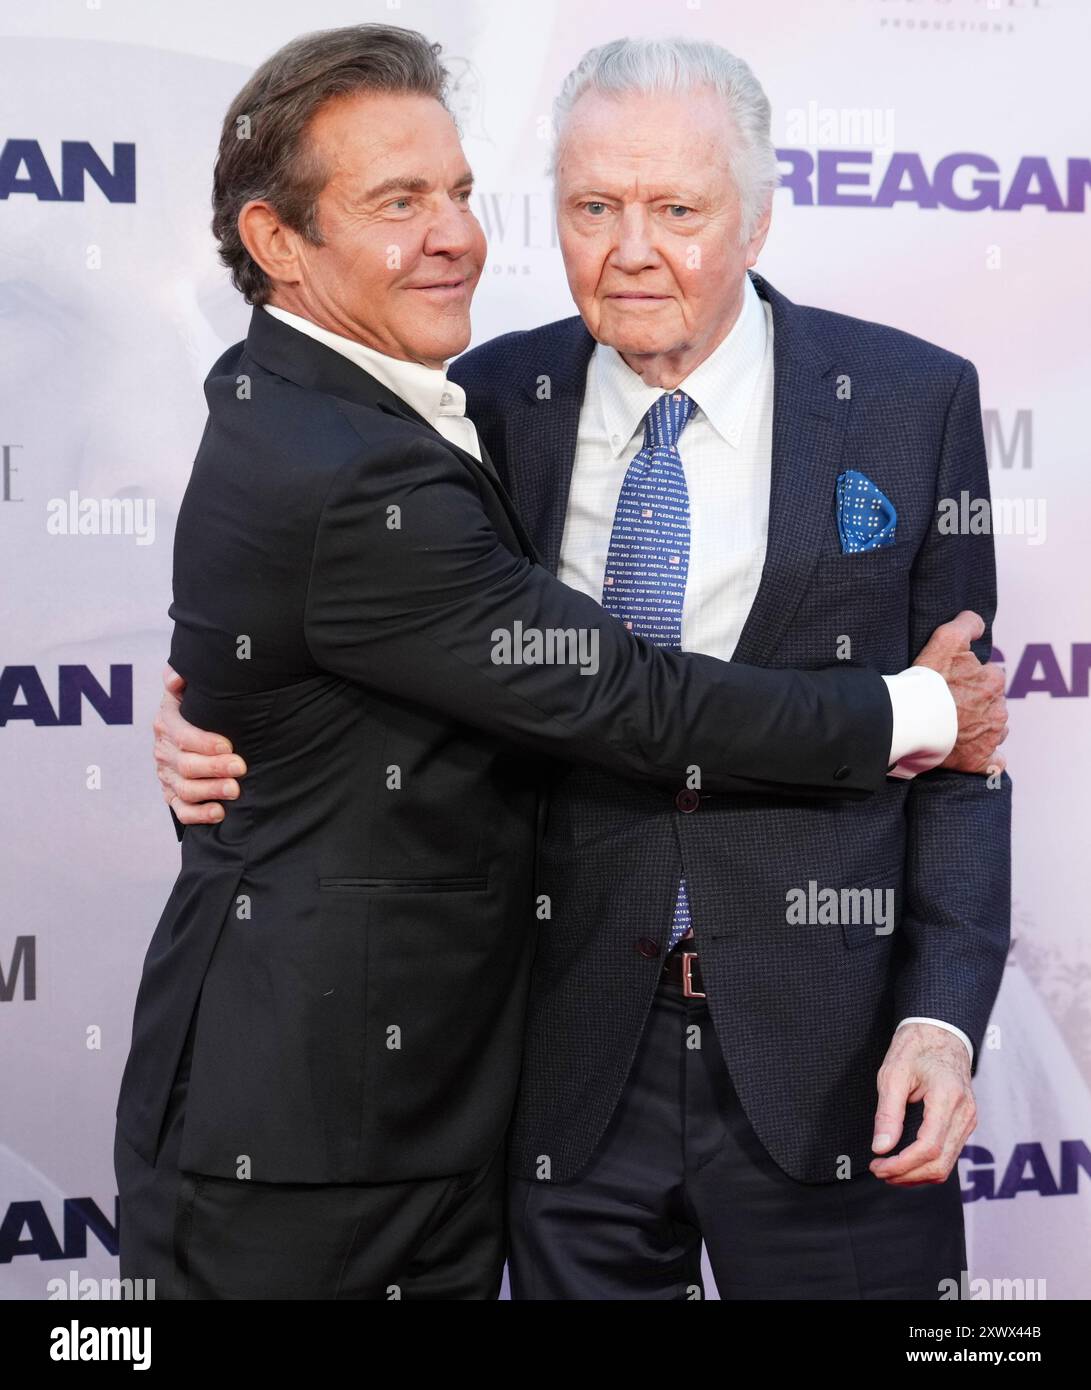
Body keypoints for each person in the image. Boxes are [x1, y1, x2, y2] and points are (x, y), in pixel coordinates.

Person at [139, 26, 1007, 1300]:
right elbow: (521, 674)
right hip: (559, 1058)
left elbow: (966, 754)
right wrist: (223, 720)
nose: (631, 246)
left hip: (836, 1059)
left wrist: (938, 1017)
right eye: (592, 206)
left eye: (675, 207)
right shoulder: (478, 396)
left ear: (758, 219)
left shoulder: (905, 401)